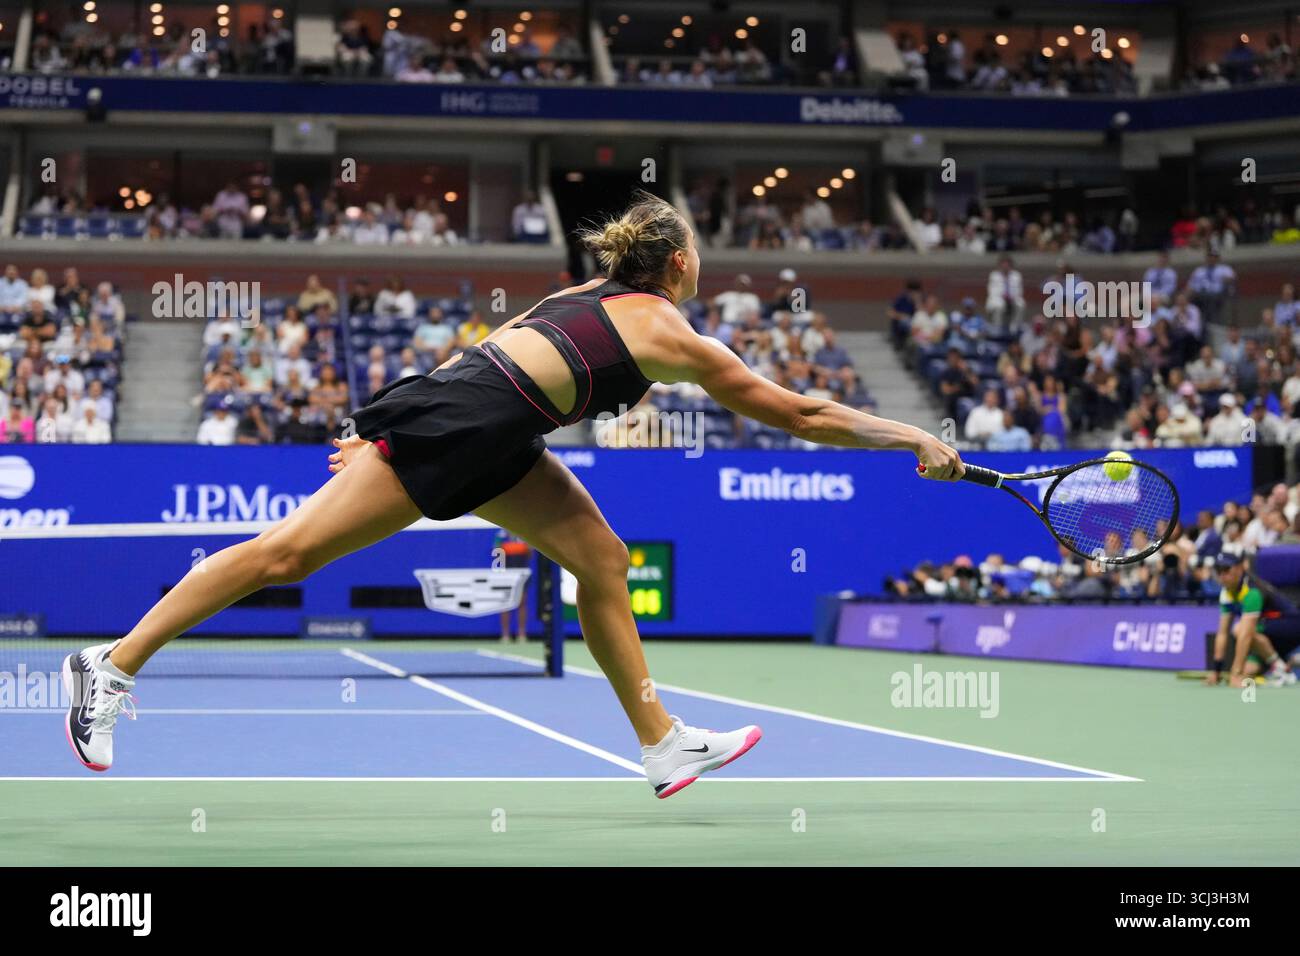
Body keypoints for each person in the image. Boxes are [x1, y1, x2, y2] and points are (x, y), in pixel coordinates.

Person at [61, 192, 965, 797]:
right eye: (700, 256)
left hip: (496, 432)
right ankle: (111, 664)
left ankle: (660, 742)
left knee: (603, 559)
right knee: (284, 555)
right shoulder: (670, 331)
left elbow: (483, 353)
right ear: (682, 261)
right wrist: (913, 436)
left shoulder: (587, 294)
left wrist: (383, 421)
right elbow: (799, 412)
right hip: (463, 428)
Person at [1206, 553, 1297, 688]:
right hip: (1266, 632)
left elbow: (1246, 635)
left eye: (1226, 570)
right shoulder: (1226, 593)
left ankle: (1280, 666)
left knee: (1239, 629)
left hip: (1290, 625)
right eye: (1218, 571)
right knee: (1249, 670)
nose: (1222, 576)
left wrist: (1236, 673)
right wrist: (1216, 671)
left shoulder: (1252, 591)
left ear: (1240, 568)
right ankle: (1283, 667)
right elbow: (1222, 633)